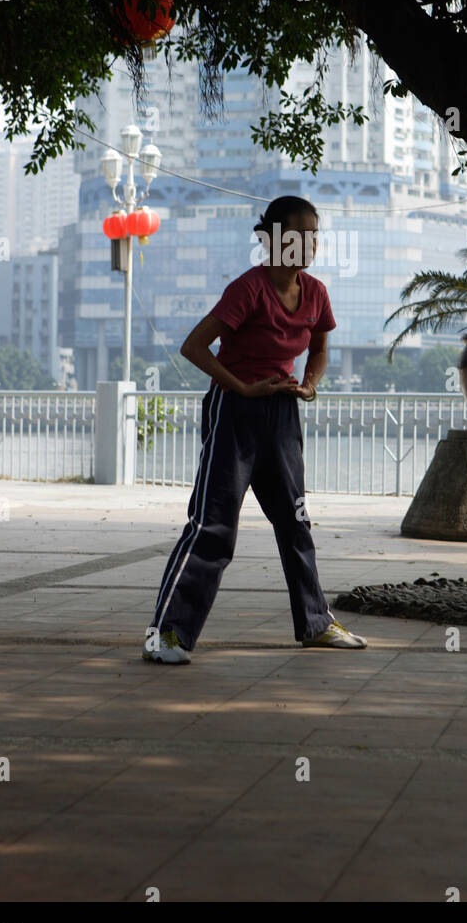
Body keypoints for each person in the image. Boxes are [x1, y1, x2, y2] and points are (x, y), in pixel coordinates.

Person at [143, 195, 367, 664]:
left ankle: (316, 624)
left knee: (296, 522)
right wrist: (243, 388)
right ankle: (167, 635)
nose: (309, 244)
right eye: (298, 235)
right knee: (213, 526)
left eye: (314, 235)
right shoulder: (248, 289)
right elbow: (194, 346)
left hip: (282, 414)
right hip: (235, 411)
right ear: (274, 240)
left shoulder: (317, 293)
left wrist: (309, 384)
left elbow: (320, 348)